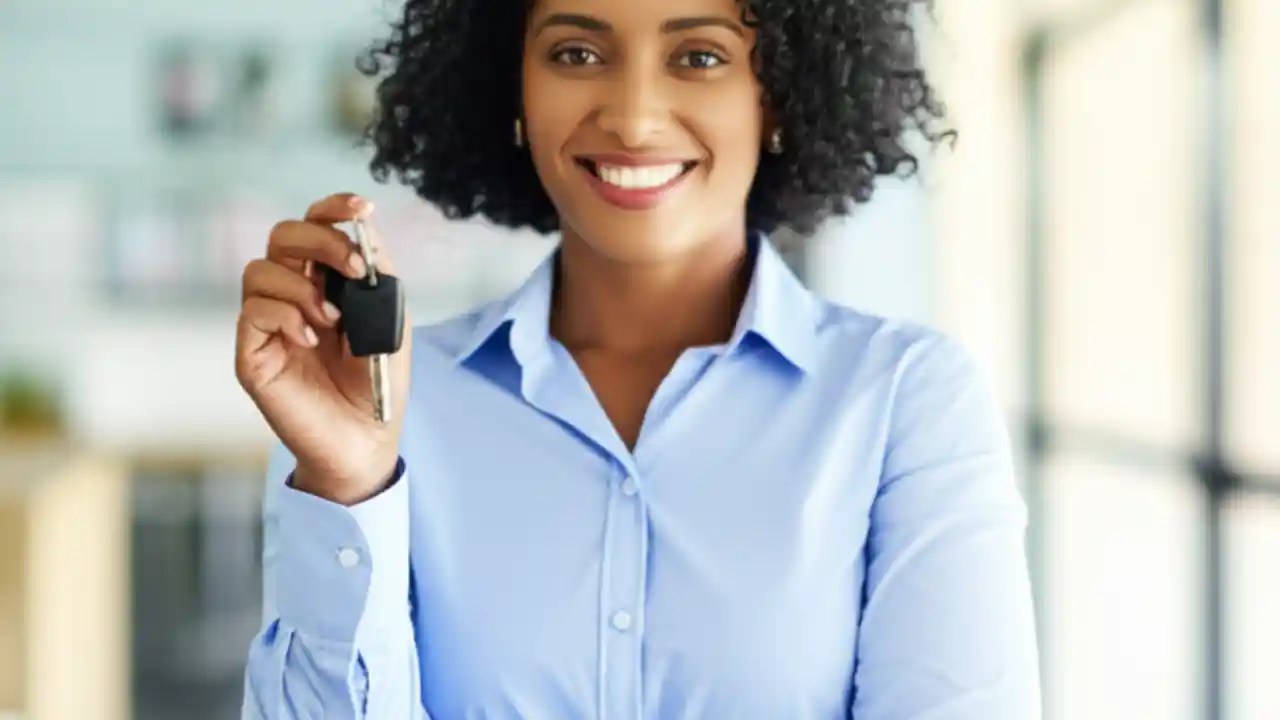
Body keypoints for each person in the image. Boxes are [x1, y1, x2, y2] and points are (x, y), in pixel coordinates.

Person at [235, 0, 1041, 717]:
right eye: (576, 54)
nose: (632, 116)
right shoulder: (381, 411)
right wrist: (348, 486)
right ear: (512, 89)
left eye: (699, 57)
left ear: (780, 97)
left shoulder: (903, 399)